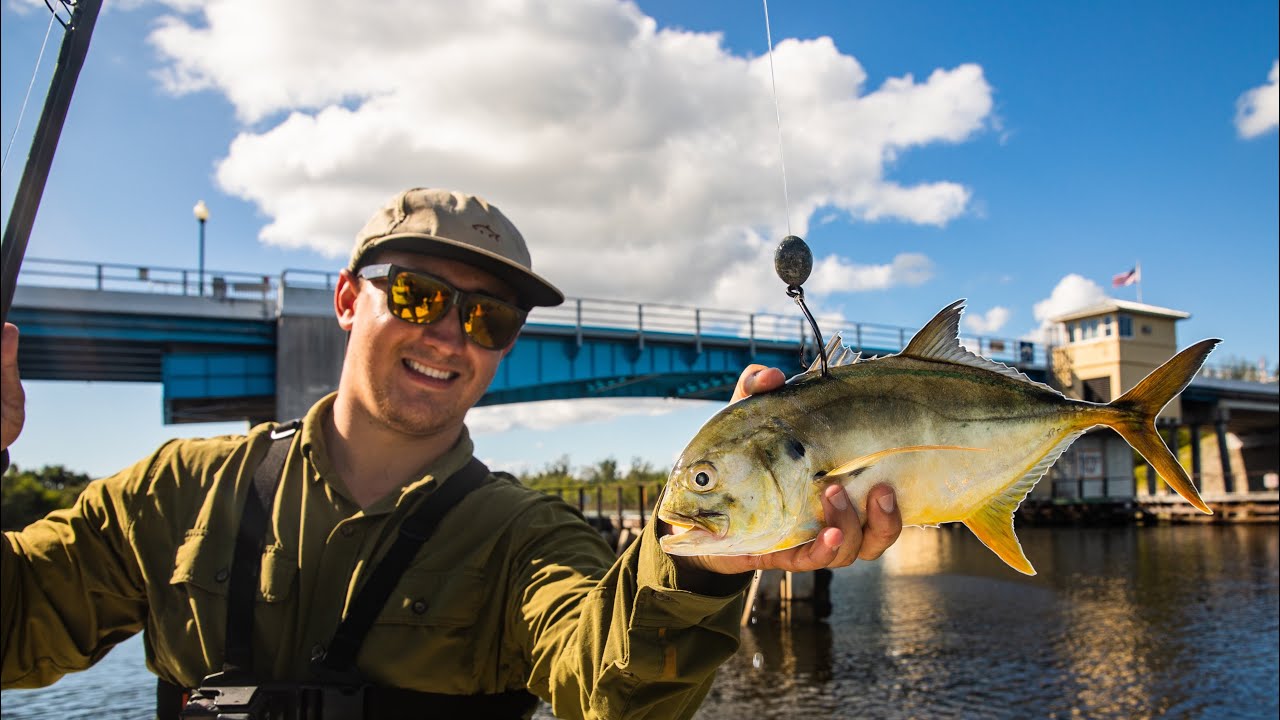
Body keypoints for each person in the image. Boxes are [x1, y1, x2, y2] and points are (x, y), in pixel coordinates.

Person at [0, 187, 902, 719]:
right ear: (350, 300)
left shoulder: (529, 540)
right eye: (422, 296)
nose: (453, 336)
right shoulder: (174, 494)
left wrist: (708, 563)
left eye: (491, 317)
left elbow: (611, 687)